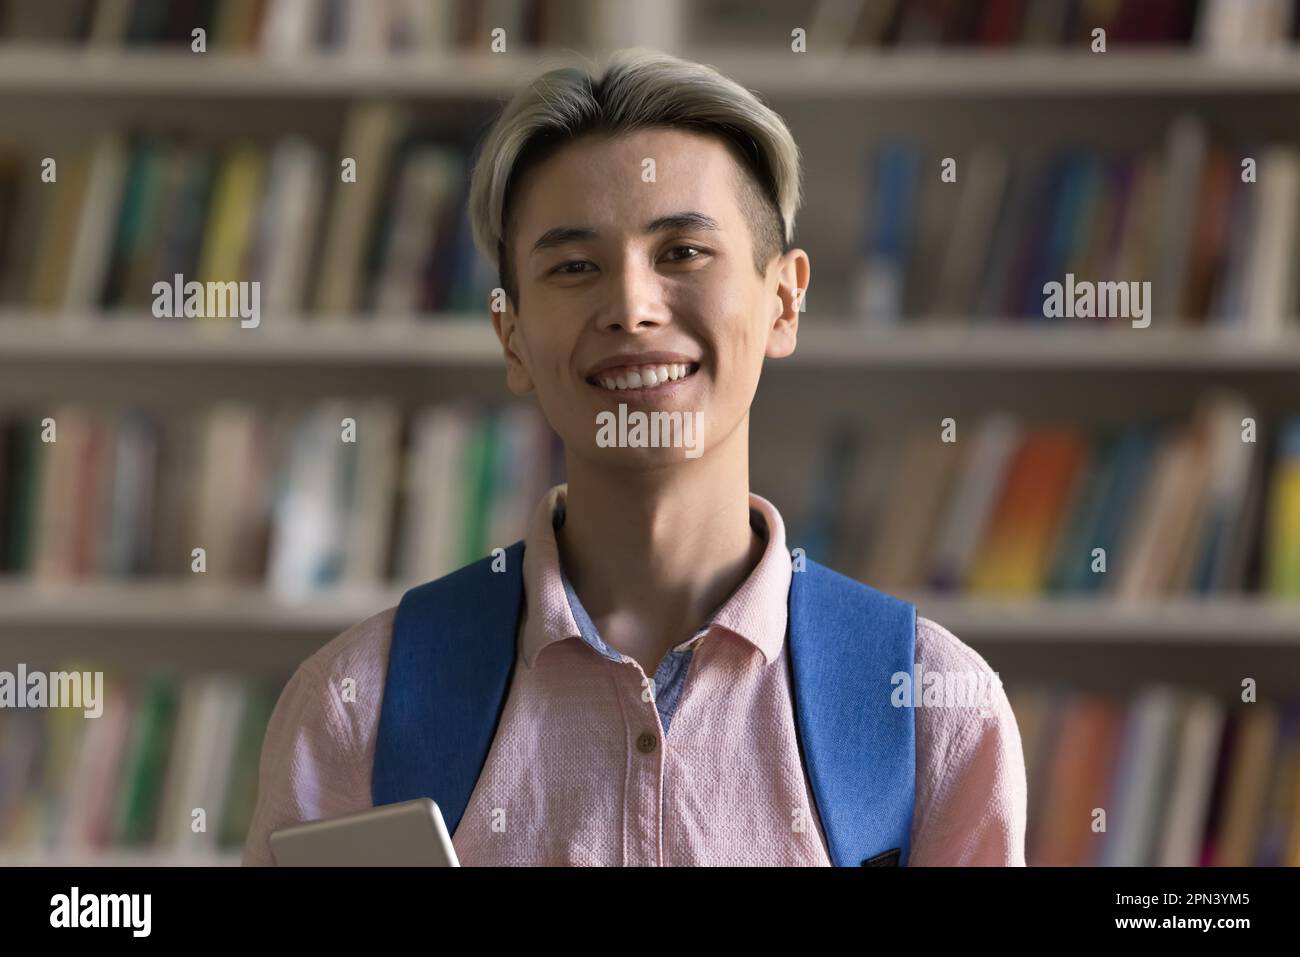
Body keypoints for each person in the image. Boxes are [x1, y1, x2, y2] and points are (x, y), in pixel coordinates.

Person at [242, 48, 1026, 867]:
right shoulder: (356, 707)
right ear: (512, 336)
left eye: (683, 251)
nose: (631, 307)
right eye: (574, 266)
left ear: (784, 301)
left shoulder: (933, 712)